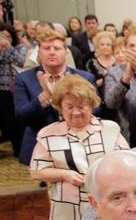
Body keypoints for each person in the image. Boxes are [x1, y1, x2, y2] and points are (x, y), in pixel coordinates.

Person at [29, 75, 129, 220]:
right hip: (68, 208)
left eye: (82, 106)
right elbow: (36, 172)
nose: (76, 112)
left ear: (91, 105)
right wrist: (64, 174)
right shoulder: (48, 134)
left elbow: (126, 162)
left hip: (106, 204)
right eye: (69, 107)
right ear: (60, 107)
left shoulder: (109, 130)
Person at [14, 30, 98, 165]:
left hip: (79, 141)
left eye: (57, 48)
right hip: (40, 145)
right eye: (46, 48)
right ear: (39, 53)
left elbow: (97, 110)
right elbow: (21, 116)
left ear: (66, 53)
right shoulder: (24, 79)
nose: (52, 52)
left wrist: (74, 99)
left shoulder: (85, 78)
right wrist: (45, 96)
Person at [0, 22, 26, 158]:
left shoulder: (20, 47)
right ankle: (16, 149)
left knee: (20, 117)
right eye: (2, 36)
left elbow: (21, 62)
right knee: (8, 120)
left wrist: (9, 48)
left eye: (8, 36)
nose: (5, 39)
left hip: (19, 86)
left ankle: (23, 146)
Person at [84, 32, 118, 121]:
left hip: (118, 102)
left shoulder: (119, 61)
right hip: (99, 103)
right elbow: (88, 85)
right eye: (102, 44)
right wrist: (98, 83)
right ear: (97, 46)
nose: (105, 47)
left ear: (112, 46)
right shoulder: (91, 63)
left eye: (108, 44)